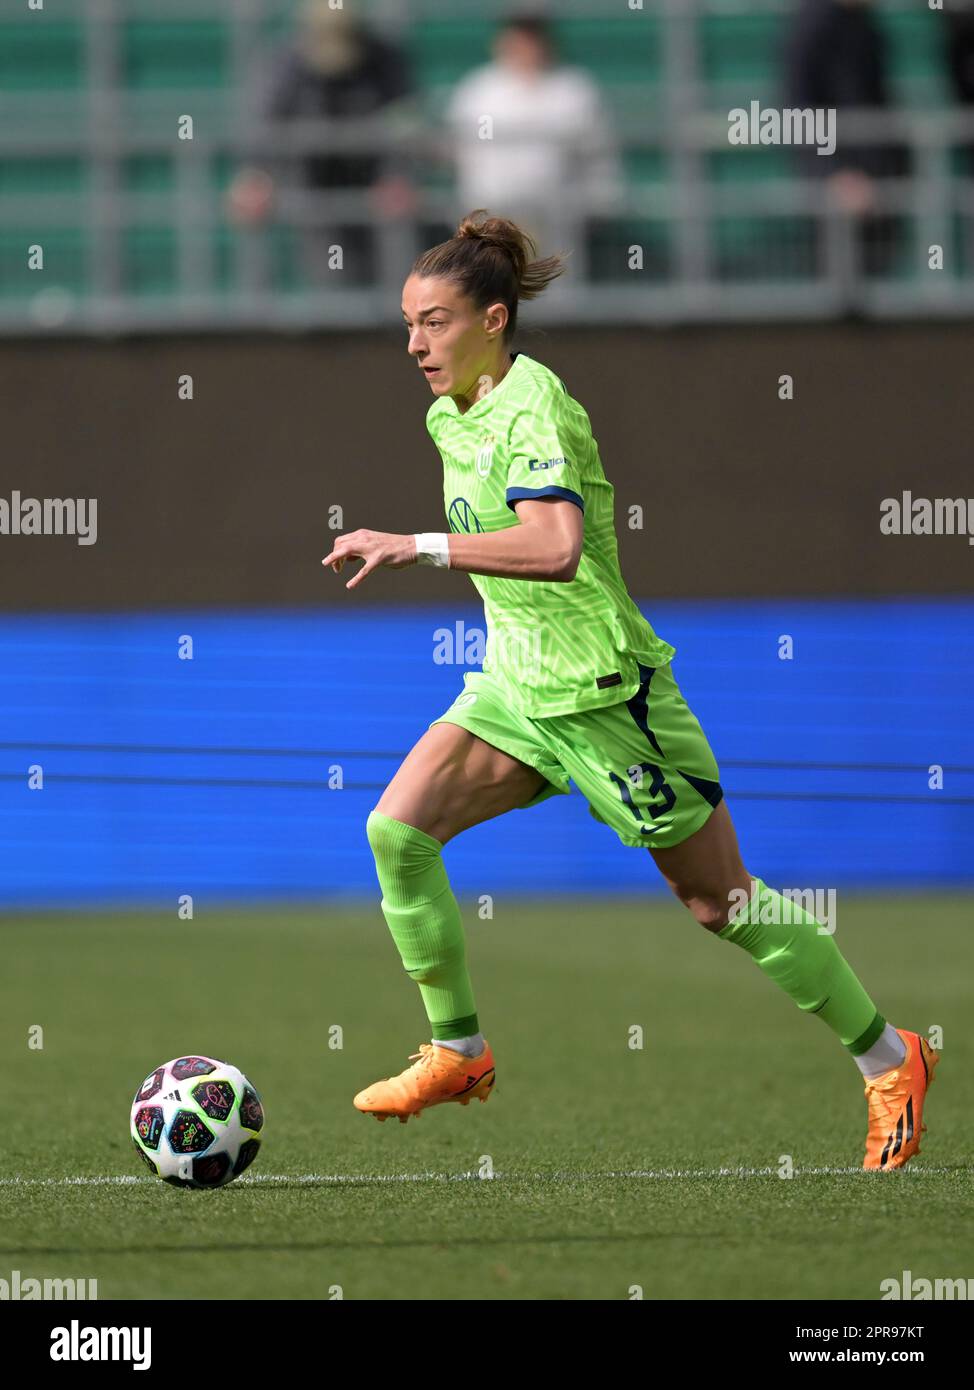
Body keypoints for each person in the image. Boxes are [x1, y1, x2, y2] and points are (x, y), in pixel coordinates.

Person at [321, 210, 938, 1170]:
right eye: (407, 323)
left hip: (609, 697)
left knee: (720, 904)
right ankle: (459, 1051)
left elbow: (557, 550)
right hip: (517, 692)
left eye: (433, 323)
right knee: (397, 834)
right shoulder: (451, 414)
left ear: (493, 321)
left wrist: (417, 544)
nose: (414, 344)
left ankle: (892, 1058)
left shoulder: (537, 406)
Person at [227, 0, 415, 286]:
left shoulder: (387, 60)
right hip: (309, 175)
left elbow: (407, 122)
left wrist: (397, 175)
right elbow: (264, 126)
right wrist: (255, 176)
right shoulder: (282, 64)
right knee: (329, 264)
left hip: (371, 172)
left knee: (394, 244)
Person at [446, 15, 621, 276]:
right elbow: (456, 150)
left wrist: (601, 201)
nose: (526, 47)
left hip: (557, 216)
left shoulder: (574, 89)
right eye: (519, 38)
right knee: (491, 288)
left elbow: (597, 153)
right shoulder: (478, 90)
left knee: (553, 289)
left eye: (533, 39)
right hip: (491, 217)